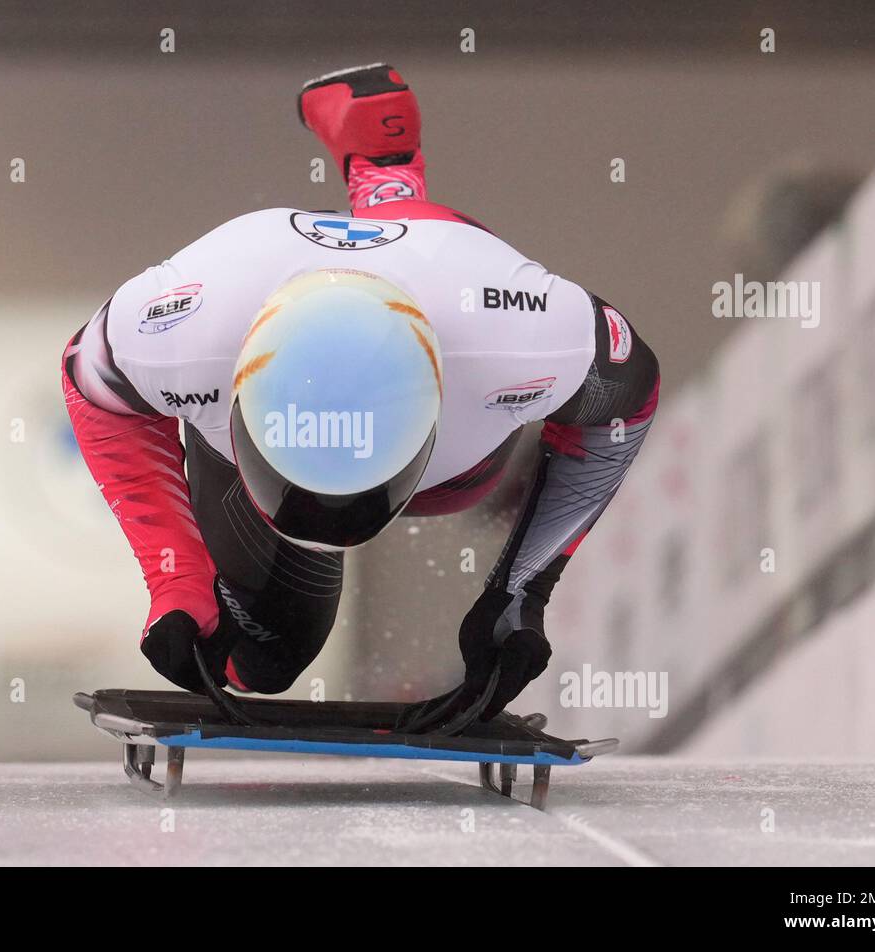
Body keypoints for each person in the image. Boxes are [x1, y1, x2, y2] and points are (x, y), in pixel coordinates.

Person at [63, 64, 659, 720]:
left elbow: (625, 407)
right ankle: (385, 171)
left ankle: (387, 174)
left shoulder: (519, 336)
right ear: (232, 391)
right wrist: (174, 575)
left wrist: (521, 595)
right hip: (393, 293)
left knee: (457, 486)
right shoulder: (178, 328)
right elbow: (92, 396)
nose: (337, 533)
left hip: (446, 282)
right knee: (261, 656)